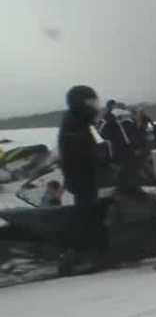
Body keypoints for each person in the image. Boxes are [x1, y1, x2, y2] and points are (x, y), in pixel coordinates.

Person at [57, 85, 108, 267]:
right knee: (88, 213)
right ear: (80, 104)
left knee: (93, 210)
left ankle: (95, 248)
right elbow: (80, 152)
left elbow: (96, 145)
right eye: (91, 102)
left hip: (88, 176)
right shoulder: (74, 124)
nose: (95, 106)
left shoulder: (82, 122)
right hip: (82, 177)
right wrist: (99, 155)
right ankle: (85, 252)